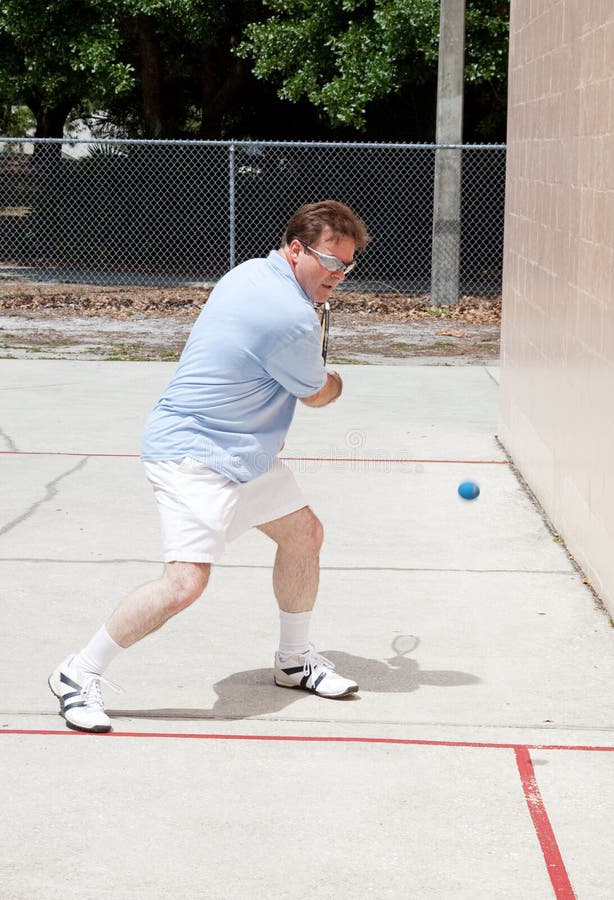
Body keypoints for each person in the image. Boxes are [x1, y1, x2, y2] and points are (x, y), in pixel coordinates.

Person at [48, 199, 371, 733]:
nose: (340, 275)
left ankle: (294, 659)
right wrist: (338, 380)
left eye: (348, 265)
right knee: (184, 584)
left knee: (304, 535)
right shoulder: (289, 316)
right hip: (195, 454)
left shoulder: (250, 271)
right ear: (296, 249)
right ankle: (77, 671)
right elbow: (317, 394)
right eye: (332, 263)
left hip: (241, 451)